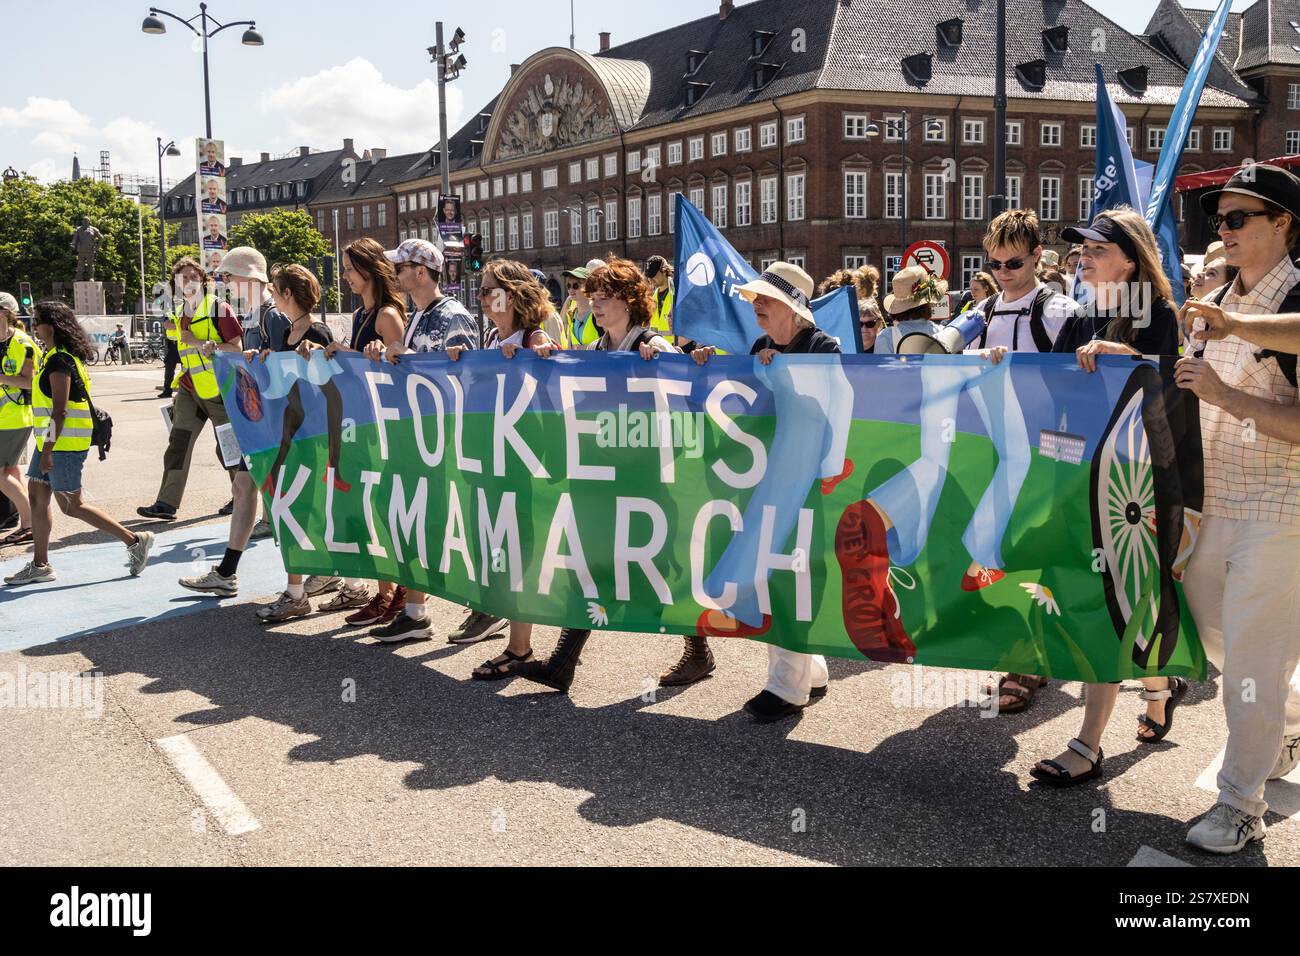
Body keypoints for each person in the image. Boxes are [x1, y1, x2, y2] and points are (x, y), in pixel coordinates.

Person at [1027, 207, 1184, 787]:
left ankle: (1087, 745)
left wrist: (1137, 362)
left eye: (1096, 250)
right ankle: (1159, 686)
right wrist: (1003, 366)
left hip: (1135, 485)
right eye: (1082, 251)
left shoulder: (1162, 315)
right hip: (1079, 472)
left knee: (1111, 600)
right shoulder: (1081, 313)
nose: (1083, 259)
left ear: (1131, 259)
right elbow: (1051, 385)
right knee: (1112, 598)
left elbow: (1180, 385)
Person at [512, 256, 717, 692]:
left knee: (659, 568)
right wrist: (543, 358)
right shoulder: (597, 352)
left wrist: (671, 362)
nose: (595, 306)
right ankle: (563, 662)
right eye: (592, 299)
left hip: (645, 480)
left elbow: (688, 393)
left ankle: (698, 652)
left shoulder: (653, 345)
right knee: (587, 563)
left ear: (628, 300)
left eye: (603, 299)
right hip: (600, 477)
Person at [1173, 164, 1300, 853]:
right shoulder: (1212, 298)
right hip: (1214, 498)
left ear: (1283, 223)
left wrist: (1230, 397)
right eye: (1216, 219)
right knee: (1214, 634)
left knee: (1250, 664)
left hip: (1284, 505)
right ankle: (1289, 718)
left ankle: (1239, 805)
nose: (1220, 231)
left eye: (1236, 218)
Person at [690, 262, 847, 720]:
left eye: (765, 299)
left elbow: (840, 407)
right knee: (771, 570)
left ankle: (787, 686)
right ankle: (807, 672)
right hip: (770, 471)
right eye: (756, 297)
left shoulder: (823, 348)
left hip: (807, 477)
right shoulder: (761, 345)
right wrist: (709, 363)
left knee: (790, 573)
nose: (755, 305)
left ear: (793, 309)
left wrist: (830, 469)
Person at [359, 238, 480, 641]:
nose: (395, 273)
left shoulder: (453, 315)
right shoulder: (419, 315)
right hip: (417, 433)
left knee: (436, 521)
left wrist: (405, 357)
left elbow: (463, 378)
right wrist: (388, 352)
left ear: (422, 272)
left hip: (441, 436)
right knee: (410, 517)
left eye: (402, 266)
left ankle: (453, 608)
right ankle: (415, 610)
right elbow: (413, 369)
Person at [444, 260, 556, 678]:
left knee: (516, 550)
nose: (481, 295)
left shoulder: (532, 335)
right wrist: (461, 361)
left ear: (511, 293)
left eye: (489, 288)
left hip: (520, 464)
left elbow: (552, 370)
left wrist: (533, 356)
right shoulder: (491, 336)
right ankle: (511, 636)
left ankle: (520, 648)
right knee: (495, 548)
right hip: (490, 459)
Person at [4, 302, 154, 586]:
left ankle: (135, 540)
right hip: (50, 442)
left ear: (53, 325)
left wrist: (47, 451)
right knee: (37, 497)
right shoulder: (54, 356)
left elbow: (60, 411)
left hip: (62, 445)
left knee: (72, 505)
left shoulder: (60, 361)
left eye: (38, 321)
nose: (34, 326)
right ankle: (40, 564)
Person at [252, 264, 349, 624]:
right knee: (289, 508)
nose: (272, 297)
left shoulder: (318, 333)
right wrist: (263, 360)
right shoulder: (286, 332)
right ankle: (322, 577)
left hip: (313, 438)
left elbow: (333, 392)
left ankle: (297, 593)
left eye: (275, 290)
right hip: (290, 437)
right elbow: (284, 383)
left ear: (287, 294)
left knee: (296, 509)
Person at [137, 257, 242, 521]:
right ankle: (166, 503)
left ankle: (242, 495)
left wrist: (202, 342)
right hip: (190, 389)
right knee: (178, 443)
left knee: (228, 448)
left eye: (193, 277)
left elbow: (237, 348)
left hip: (220, 391)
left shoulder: (219, 308)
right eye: (182, 278)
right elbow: (175, 333)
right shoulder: (180, 311)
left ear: (204, 281)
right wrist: (169, 326)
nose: (188, 282)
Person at [0, 292, 38, 547]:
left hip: (15, 419)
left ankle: (30, 523)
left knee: (1, 475)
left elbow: (30, 382)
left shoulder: (23, 343)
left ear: (4, 313)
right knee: (11, 471)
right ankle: (28, 521)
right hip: (4, 419)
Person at [560, 260, 605, 347]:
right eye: (568, 286)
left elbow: (610, 344)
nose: (571, 290)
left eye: (575, 286)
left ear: (587, 286)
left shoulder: (598, 313)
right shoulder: (573, 314)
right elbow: (570, 347)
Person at [646, 255, 675, 344]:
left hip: (676, 351)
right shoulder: (652, 298)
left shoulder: (677, 293)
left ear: (664, 270)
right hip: (657, 352)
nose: (650, 279)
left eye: (653, 275)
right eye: (648, 276)